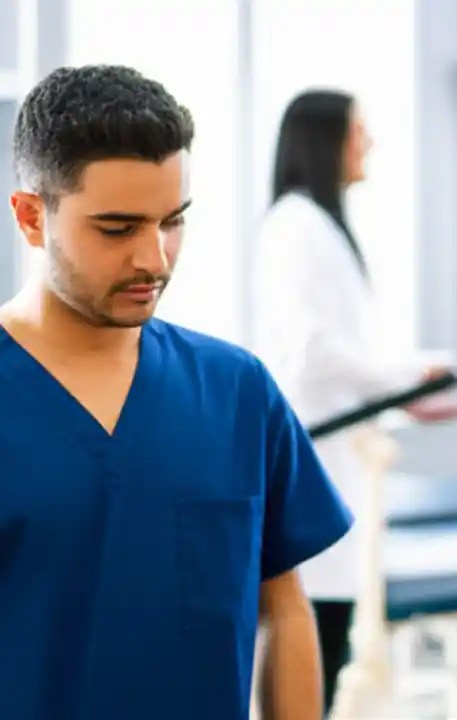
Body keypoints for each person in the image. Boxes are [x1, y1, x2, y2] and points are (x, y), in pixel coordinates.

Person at [1, 65, 350, 719]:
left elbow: (285, 607)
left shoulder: (236, 392)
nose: (155, 258)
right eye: (117, 228)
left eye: (172, 222)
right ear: (30, 216)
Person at [249, 89, 457, 714]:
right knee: (312, 637)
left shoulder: (320, 224)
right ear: (327, 141)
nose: (368, 144)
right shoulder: (295, 225)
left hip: (340, 457)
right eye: (359, 132)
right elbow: (313, 352)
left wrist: (404, 396)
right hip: (316, 459)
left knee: (330, 636)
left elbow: (339, 360)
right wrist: (405, 376)